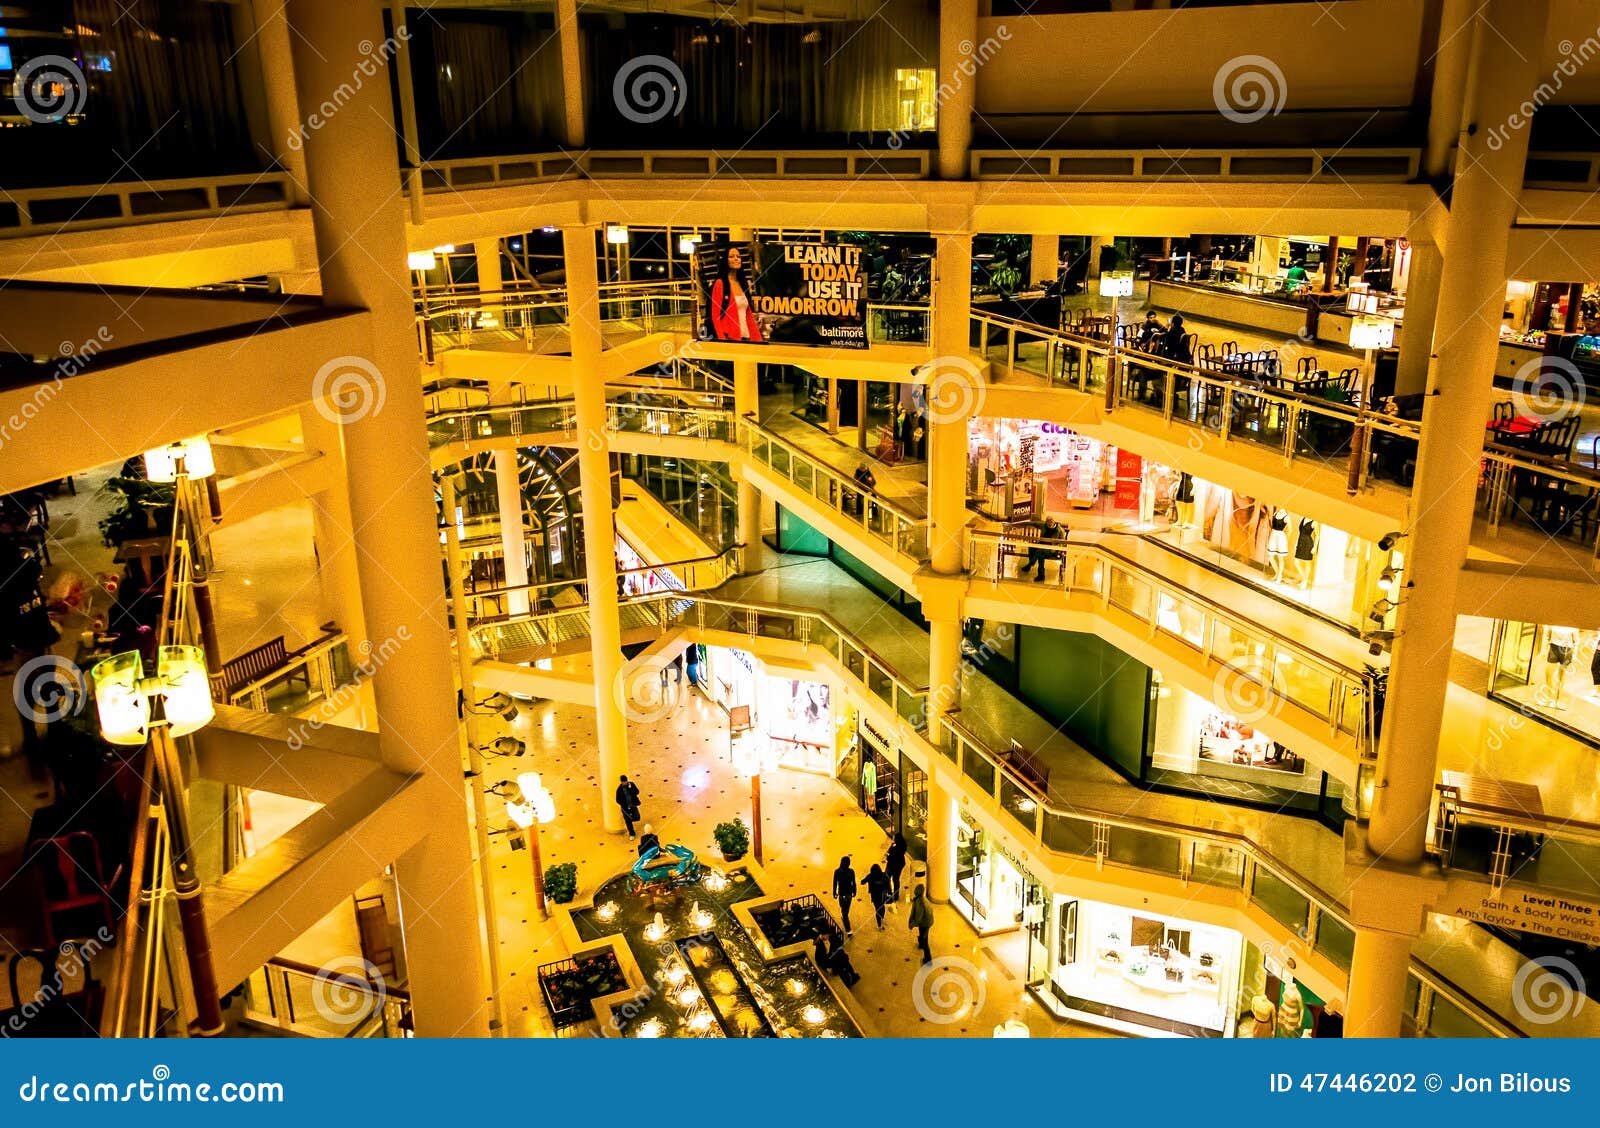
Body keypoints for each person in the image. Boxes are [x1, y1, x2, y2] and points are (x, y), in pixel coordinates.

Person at [709, 245, 763, 342]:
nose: (736, 259)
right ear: (726, 260)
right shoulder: (720, 283)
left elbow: (748, 315)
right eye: (731, 256)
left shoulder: (743, 284)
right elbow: (715, 316)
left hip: (746, 338)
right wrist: (722, 340)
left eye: (738, 256)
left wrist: (758, 339)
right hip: (729, 338)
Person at [907, 883, 934, 964]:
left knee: (925, 939)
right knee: (922, 935)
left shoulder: (920, 903)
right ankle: (921, 943)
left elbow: (918, 918)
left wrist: (912, 924)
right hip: (926, 922)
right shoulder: (921, 899)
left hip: (925, 924)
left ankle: (928, 959)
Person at [831, 856, 857, 935]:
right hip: (849, 894)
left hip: (842, 894)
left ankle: (848, 929)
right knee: (846, 909)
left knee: (844, 910)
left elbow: (835, 883)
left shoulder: (837, 871)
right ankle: (845, 919)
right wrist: (854, 891)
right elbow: (853, 882)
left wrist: (834, 892)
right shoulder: (851, 871)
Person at [862, 863, 891, 930]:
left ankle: (879, 926)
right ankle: (882, 918)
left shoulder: (870, 876)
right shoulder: (884, 875)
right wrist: (889, 892)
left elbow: (862, 882)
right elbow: (888, 885)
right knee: (882, 907)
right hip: (883, 895)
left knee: (878, 910)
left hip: (875, 896)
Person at [884, 834, 907, 902]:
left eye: (894, 838)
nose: (893, 839)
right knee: (896, 880)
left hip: (893, 865)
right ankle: (896, 895)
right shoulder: (901, 846)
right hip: (899, 865)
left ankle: (889, 893)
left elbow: (890, 857)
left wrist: (887, 855)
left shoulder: (896, 849)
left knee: (888, 878)